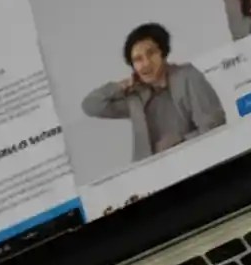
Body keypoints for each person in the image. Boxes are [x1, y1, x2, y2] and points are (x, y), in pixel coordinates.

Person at [82, 23, 226, 163]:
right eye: (138, 59)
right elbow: (91, 106)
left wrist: (181, 142)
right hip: (149, 172)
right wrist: (121, 85)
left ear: (163, 53)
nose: (146, 64)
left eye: (151, 53)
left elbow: (214, 125)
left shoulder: (187, 76)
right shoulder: (135, 95)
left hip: (193, 163)